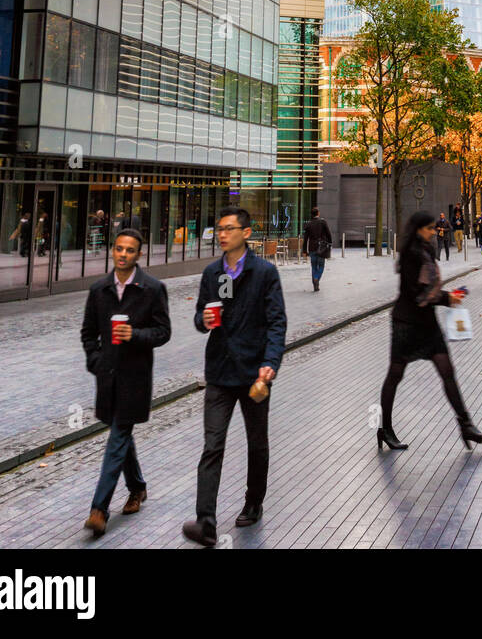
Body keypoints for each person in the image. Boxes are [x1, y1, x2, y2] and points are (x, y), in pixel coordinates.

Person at [182, 207, 287, 545]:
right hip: (220, 373)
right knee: (212, 445)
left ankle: (254, 501)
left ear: (246, 232)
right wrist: (205, 320)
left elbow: (276, 322)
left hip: (255, 373)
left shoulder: (265, 273)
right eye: (219, 229)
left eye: (229, 228)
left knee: (257, 443)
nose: (222, 234)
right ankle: (206, 521)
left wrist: (271, 362)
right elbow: (200, 316)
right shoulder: (212, 273)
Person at [81, 228, 171, 537]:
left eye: (129, 250)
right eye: (119, 248)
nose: (123, 254)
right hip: (107, 377)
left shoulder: (153, 289)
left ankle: (99, 509)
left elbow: (163, 332)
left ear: (138, 255)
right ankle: (138, 487)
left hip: (135, 377)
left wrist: (135, 335)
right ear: (112, 251)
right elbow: (88, 333)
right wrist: (95, 361)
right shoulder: (98, 290)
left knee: (118, 436)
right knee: (122, 432)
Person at [377, 212, 482, 452]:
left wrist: (448, 296)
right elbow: (417, 292)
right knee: (395, 375)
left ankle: (466, 425)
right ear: (418, 229)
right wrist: (447, 298)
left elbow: (429, 288)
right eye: (429, 228)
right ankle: (385, 428)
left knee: (447, 371)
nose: (433, 231)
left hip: (427, 323)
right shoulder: (410, 254)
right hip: (406, 324)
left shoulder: (427, 250)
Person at [301, 205, 332, 291]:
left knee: (314, 266)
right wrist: (330, 243)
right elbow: (329, 234)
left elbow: (305, 239)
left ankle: (315, 285)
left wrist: (304, 250)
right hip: (321, 248)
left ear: (311, 214)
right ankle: (316, 278)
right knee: (321, 266)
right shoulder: (323, 222)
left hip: (311, 248)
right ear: (318, 213)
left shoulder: (309, 224)